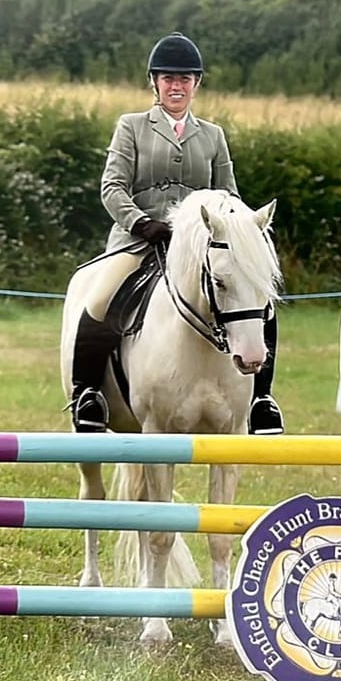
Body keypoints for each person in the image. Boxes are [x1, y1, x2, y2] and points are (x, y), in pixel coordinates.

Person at [66, 31, 283, 436]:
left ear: (196, 83)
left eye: (185, 78)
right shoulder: (131, 127)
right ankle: (88, 393)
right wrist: (141, 223)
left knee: (260, 304)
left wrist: (238, 231)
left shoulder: (212, 135)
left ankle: (261, 400)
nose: (176, 86)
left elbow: (229, 195)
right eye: (168, 78)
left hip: (200, 248)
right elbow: (112, 187)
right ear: (155, 82)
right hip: (139, 242)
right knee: (100, 299)